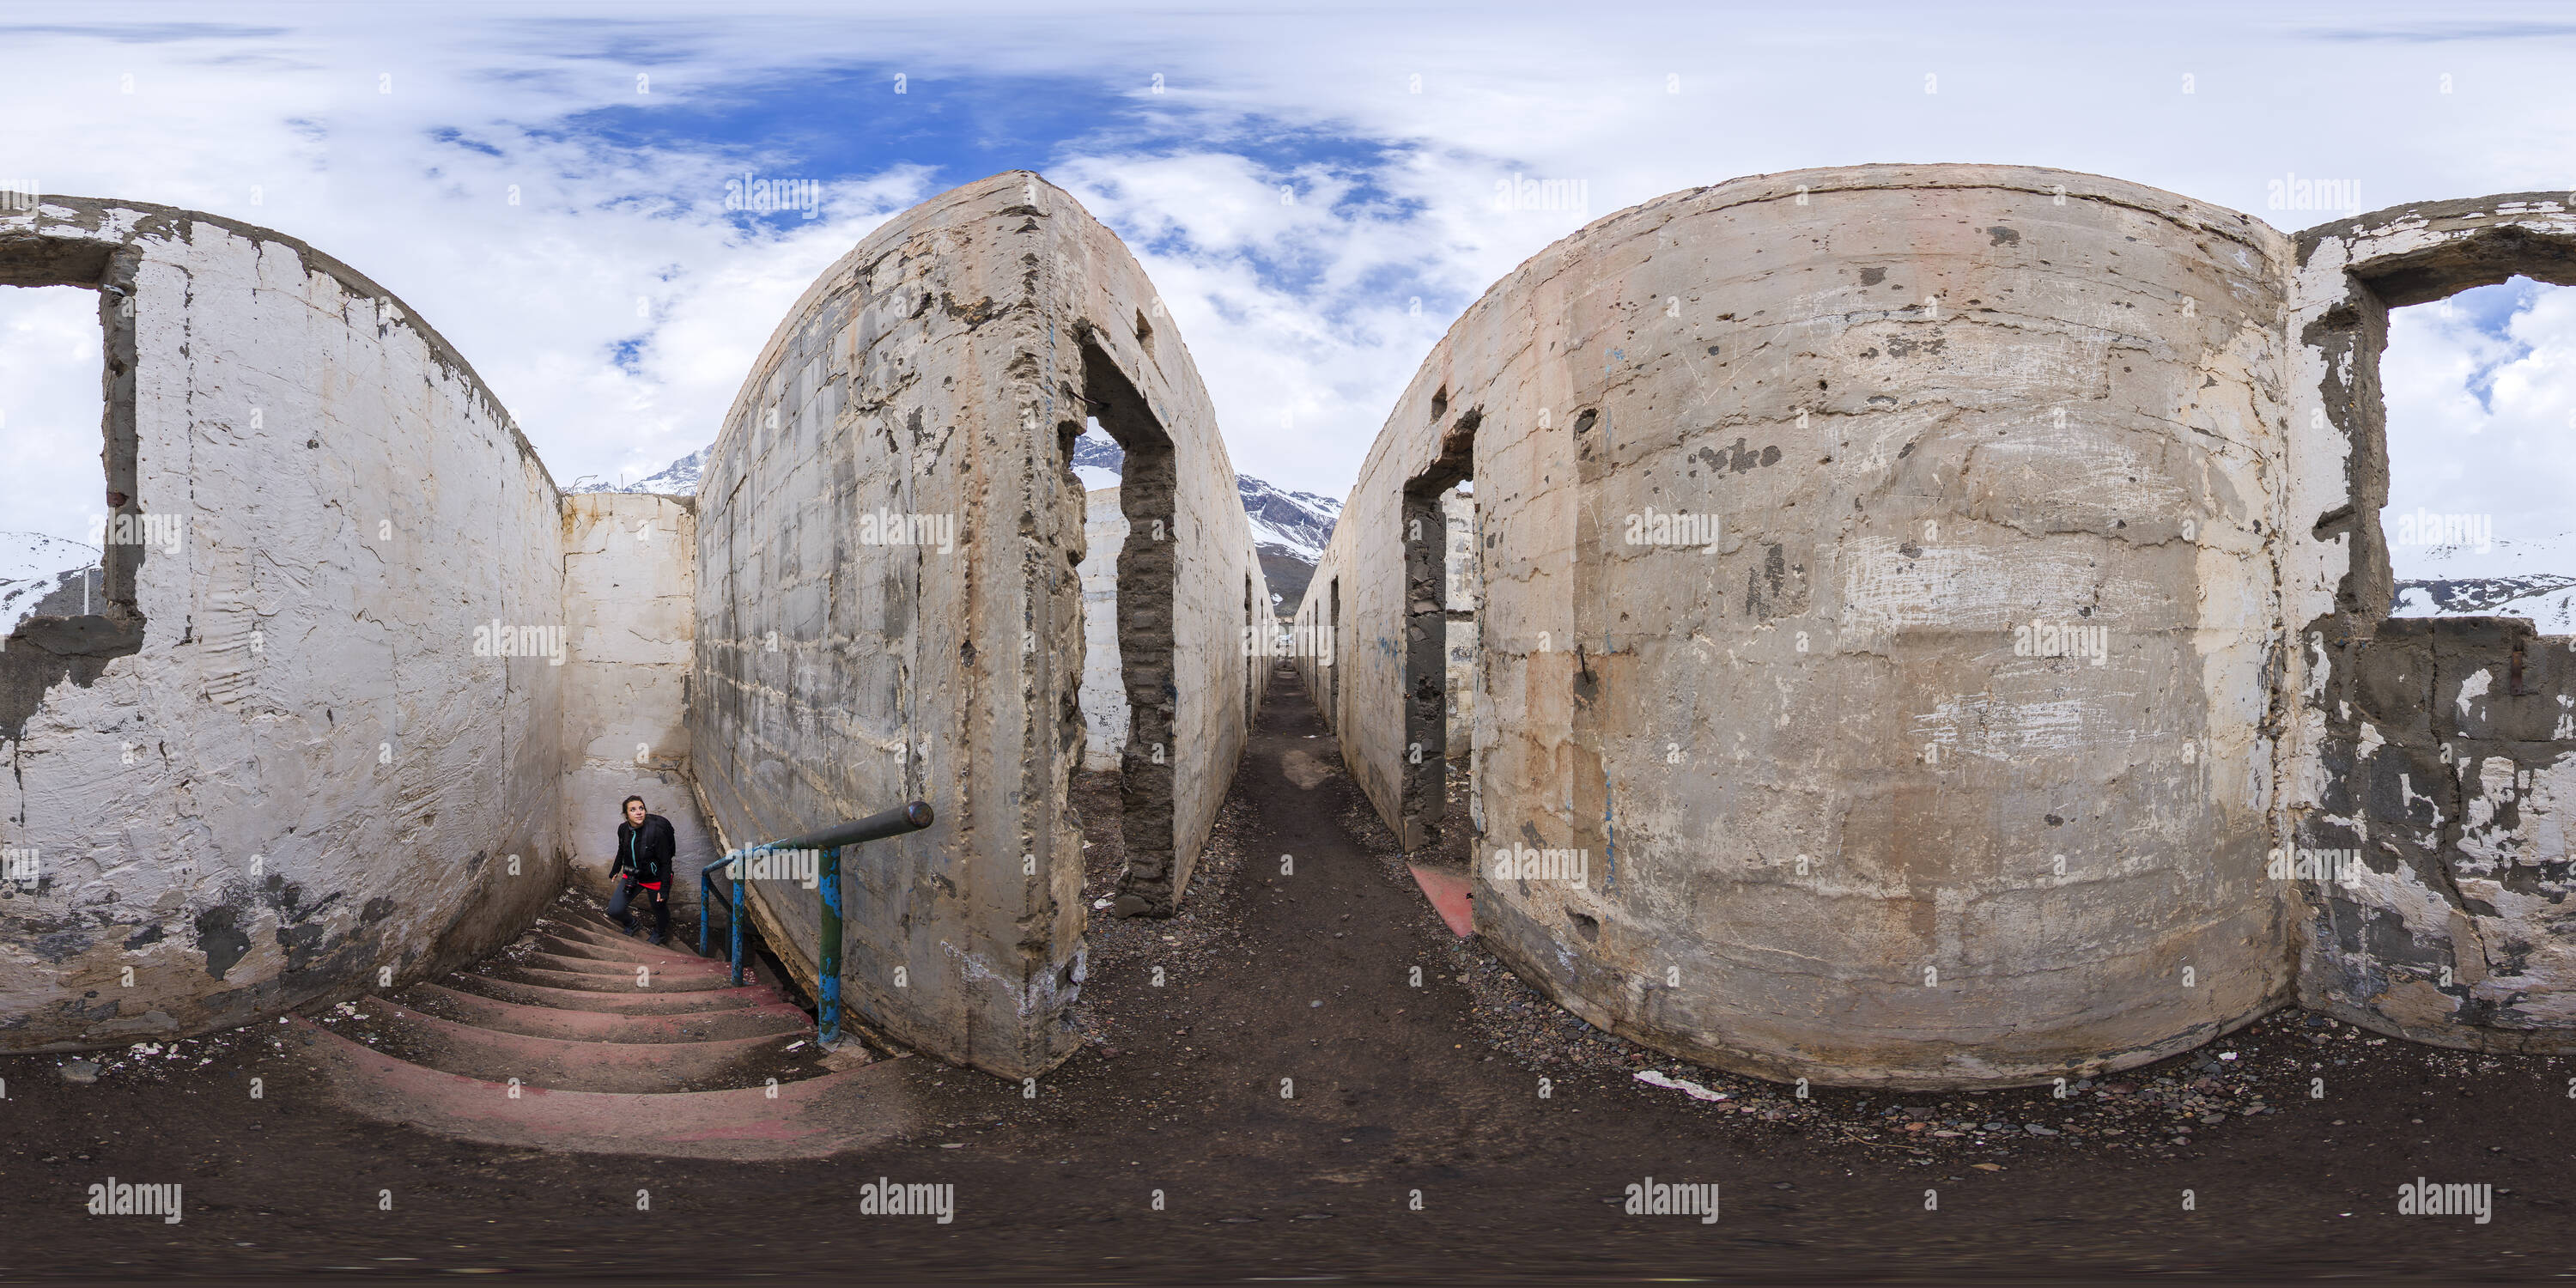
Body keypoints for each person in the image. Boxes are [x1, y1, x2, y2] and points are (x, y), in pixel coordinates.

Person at [607, 795, 677, 944]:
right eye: (633, 810)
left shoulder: (656, 832)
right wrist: (616, 869)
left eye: (641, 808)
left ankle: (660, 932)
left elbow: (666, 862)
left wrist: (664, 889)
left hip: (655, 878)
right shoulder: (623, 829)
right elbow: (622, 850)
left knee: (659, 907)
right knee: (614, 910)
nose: (639, 812)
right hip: (633, 875)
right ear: (626, 815)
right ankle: (632, 924)